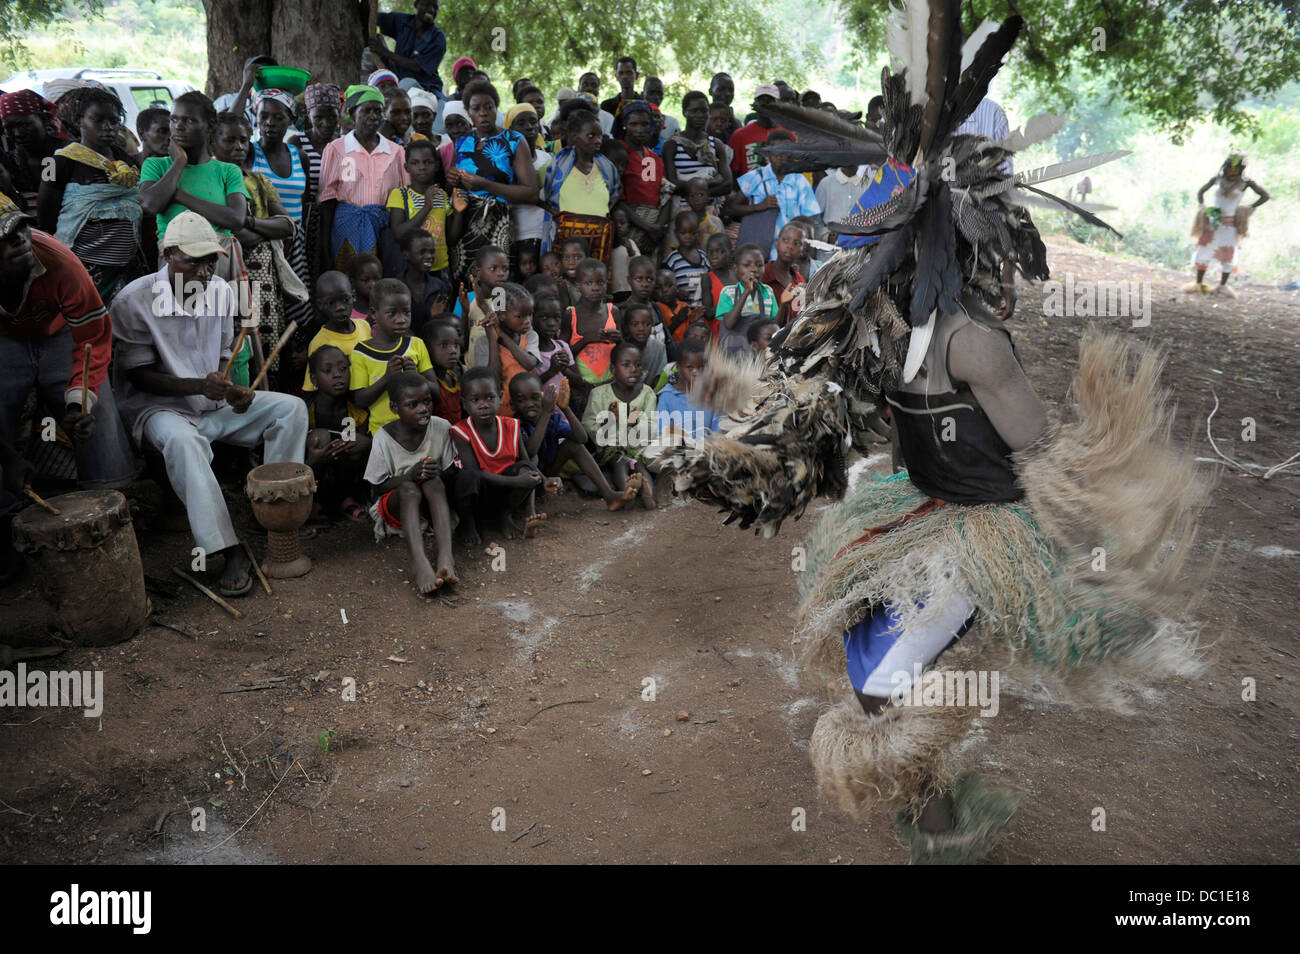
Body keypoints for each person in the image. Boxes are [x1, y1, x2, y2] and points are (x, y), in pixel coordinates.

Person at [666, 5, 1205, 864]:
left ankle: (1066, 634)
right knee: (869, 668)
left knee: (880, 686)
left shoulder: (970, 339)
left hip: (981, 526)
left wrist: (1061, 550)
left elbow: (1033, 450)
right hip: (917, 509)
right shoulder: (881, 321)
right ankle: (948, 803)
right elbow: (820, 405)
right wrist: (738, 399)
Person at [111, 211, 307, 597]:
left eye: (210, 260)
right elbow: (138, 375)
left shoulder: (219, 289)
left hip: (210, 405)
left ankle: (272, 508)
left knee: (290, 410)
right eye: (193, 260)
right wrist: (201, 385)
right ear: (168, 255)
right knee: (186, 444)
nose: (204, 270)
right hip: (159, 410)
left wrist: (231, 389)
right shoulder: (134, 300)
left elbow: (222, 360)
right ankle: (224, 549)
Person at [0, 211, 136, 523]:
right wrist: (7, 457)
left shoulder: (60, 261)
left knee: (94, 405)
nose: (20, 240)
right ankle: (5, 515)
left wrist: (79, 403)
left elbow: (93, 337)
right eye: (5, 236)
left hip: (59, 330)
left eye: (22, 228)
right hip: (4, 338)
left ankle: (108, 503)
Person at [210, 111, 302, 385]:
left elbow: (287, 225)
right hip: (225, 270)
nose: (238, 147)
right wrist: (260, 228)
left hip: (262, 277)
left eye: (243, 140)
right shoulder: (211, 180)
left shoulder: (258, 181)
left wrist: (247, 221)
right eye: (230, 140)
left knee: (265, 340)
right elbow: (240, 236)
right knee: (231, 339)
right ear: (212, 143)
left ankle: (264, 395)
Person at [36, 86, 144, 303]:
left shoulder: (127, 162)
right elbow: (45, 215)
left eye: (114, 121)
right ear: (79, 121)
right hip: (81, 266)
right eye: (98, 120)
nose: (108, 127)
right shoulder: (57, 161)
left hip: (126, 267)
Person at [138, 91, 250, 290]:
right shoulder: (156, 165)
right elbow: (151, 203)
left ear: (210, 126)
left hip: (219, 257)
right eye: (174, 119)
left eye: (189, 120)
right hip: (176, 259)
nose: (178, 126)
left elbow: (236, 219)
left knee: (223, 317)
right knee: (177, 316)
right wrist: (180, 162)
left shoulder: (227, 170)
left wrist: (177, 195)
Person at [365, 371, 459, 593]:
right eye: (412, 404)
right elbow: (377, 486)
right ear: (395, 408)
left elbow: (453, 473)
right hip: (398, 506)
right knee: (409, 488)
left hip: (430, 507)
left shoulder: (441, 427)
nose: (423, 408)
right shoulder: (383, 437)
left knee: (432, 481)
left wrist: (437, 472)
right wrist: (409, 475)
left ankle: (446, 555)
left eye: (427, 401)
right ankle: (419, 562)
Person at [446, 80, 538, 286]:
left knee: (498, 287)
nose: (483, 113)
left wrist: (486, 186)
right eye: (476, 108)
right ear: (468, 113)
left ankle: (498, 319)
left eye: (489, 107)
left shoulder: (513, 140)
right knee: (466, 283)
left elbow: (531, 192)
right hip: (465, 225)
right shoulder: (462, 141)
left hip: (498, 224)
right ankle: (468, 319)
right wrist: (451, 179)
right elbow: (453, 183)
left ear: (497, 109)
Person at [510, 372, 634, 509]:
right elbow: (530, 452)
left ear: (543, 397)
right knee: (533, 460)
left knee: (573, 446)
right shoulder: (515, 424)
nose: (529, 404)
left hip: (550, 476)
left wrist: (565, 408)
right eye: (521, 400)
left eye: (535, 397)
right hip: (529, 482)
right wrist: (546, 412)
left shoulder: (552, 419)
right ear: (512, 405)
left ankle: (609, 495)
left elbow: (582, 438)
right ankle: (530, 510)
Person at [450, 366, 546, 542]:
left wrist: (546, 480)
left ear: (501, 397)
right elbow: (475, 473)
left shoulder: (511, 425)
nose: (484, 404)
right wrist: (516, 481)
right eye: (475, 400)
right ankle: (468, 524)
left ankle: (504, 516)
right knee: (466, 477)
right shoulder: (461, 431)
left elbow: (527, 463)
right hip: (480, 496)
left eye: (490, 397)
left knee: (527, 466)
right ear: (465, 403)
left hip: (506, 496)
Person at [349, 278, 436, 433]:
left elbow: (435, 391)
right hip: (382, 433)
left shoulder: (416, 345)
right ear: (374, 314)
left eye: (406, 312)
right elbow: (359, 400)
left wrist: (415, 376)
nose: (401, 320)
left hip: (420, 429)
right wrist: (386, 379)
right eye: (392, 313)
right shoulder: (361, 353)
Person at [581, 339, 657, 509]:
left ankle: (648, 495)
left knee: (640, 466)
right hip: (610, 449)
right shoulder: (599, 394)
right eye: (626, 365)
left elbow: (653, 425)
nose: (633, 370)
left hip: (637, 450)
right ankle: (626, 493)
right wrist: (610, 422)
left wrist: (638, 423)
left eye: (638, 365)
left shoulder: (647, 393)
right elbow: (588, 425)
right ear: (613, 369)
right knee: (619, 461)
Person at [727, 129, 821, 259]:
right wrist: (759, 206)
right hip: (760, 251)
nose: (780, 154)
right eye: (775, 149)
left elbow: (810, 219)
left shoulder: (799, 181)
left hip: (790, 253)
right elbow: (731, 209)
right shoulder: (755, 177)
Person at [544, 108, 620, 266]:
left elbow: (615, 195)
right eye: (591, 136)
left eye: (599, 136)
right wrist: (556, 214)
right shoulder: (556, 166)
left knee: (594, 285)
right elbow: (539, 196)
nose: (597, 140)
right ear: (574, 136)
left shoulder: (608, 168)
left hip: (599, 243)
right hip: (566, 243)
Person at [304, 345, 371, 523]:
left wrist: (364, 442)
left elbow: (368, 442)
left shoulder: (356, 410)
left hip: (344, 474)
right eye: (328, 370)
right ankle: (313, 502)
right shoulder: (305, 410)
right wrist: (312, 460)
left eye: (343, 369)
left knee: (353, 440)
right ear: (314, 379)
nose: (337, 374)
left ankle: (346, 499)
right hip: (314, 476)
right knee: (321, 436)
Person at [1187, 152, 1269, 297]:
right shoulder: (1217, 179)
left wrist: (1247, 208)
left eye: (1236, 168)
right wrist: (1202, 207)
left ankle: (1222, 286)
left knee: (1228, 254)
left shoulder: (1246, 183)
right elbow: (1201, 192)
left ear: (1241, 169)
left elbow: (1265, 196)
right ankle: (1198, 284)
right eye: (1230, 167)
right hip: (1213, 222)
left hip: (1230, 225)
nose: (1233, 170)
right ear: (1226, 166)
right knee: (1204, 250)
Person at [386, 138, 451, 280]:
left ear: (436, 166)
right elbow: (398, 233)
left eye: (428, 162)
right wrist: (427, 207)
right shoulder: (399, 194)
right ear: (406, 167)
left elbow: (451, 236)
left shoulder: (442, 195)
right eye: (415, 163)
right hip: (411, 269)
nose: (422, 167)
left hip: (440, 268)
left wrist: (458, 212)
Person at [1, 91, 71, 218]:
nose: (17, 133)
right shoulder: (12, 162)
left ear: (44, 120)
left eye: (24, 125)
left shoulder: (67, 154)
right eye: (9, 127)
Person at [300, 83, 342, 285]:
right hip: (308, 220)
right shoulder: (298, 142)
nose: (326, 123)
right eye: (319, 117)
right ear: (309, 115)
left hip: (337, 217)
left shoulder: (344, 144)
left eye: (332, 116)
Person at [478, 282, 540, 415]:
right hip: (503, 412)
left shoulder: (530, 336)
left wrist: (502, 334)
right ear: (501, 315)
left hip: (528, 411)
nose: (527, 321)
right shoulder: (484, 342)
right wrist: (493, 342)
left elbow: (529, 363)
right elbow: (492, 379)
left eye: (530, 314)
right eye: (520, 316)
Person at [505, 103, 552, 278]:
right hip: (516, 234)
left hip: (543, 232)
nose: (529, 127)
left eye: (533, 121)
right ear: (510, 129)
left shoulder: (546, 158)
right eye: (521, 122)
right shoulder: (505, 161)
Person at [300, 270, 368, 391]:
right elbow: (312, 387)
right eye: (331, 303)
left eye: (345, 300)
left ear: (353, 297)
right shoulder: (319, 343)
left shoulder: (364, 326)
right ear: (320, 305)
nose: (340, 307)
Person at [565, 257, 620, 396]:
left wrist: (619, 340)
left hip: (612, 383)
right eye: (588, 283)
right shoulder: (571, 315)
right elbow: (563, 356)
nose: (595, 288)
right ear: (578, 286)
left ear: (606, 284)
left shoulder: (612, 311)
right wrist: (586, 340)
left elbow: (622, 350)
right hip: (582, 387)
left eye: (600, 283)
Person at [663, 91, 732, 200]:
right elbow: (671, 184)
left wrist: (699, 196)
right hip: (680, 212)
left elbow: (727, 184)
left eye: (704, 111)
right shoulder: (672, 144)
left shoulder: (716, 144)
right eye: (694, 111)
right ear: (684, 112)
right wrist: (711, 182)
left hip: (709, 212)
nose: (700, 115)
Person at [370, 0, 447, 95]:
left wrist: (385, 52)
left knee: (407, 83)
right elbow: (374, 17)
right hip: (401, 85)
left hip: (427, 89)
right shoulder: (403, 21)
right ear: (416, 4)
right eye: (426, 4)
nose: (431, 9)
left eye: (435, 7)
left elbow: (417, 66)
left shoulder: (438, 38)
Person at [654, 336, 720, 445]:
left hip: (709, 454)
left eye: (702, 367)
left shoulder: (713, 395)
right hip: (677, 454)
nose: (696, 373)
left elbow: (718, 432)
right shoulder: (667, 397)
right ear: (678, 368)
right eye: (690, 368)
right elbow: (664, 434)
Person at [715, 242, 778, 354]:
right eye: (747, 265)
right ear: (735, 268)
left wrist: (783, 304)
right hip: (734, 358)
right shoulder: (728, 293)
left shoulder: (767, 291)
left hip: (761, 357)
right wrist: (747, 292)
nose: (754, 269)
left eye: (759, 265)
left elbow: (774, 325)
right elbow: (729, 324)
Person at [397, 231, 449, 334]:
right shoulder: (396, 287)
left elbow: (444, 325)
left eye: (432, 252)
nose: (429, 256)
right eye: (422, 252)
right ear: (406, 255)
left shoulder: (439, 287)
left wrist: (435, 318)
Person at [727, 84, 784, 177]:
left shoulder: (788, 135)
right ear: (755, 104)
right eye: (761, 100)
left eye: (770, 100)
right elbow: (733, 172)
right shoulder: (740, 135)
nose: (765, 104)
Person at [531, 292, 575, 409]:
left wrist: (564, 368)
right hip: (540, 415)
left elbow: (578, 381)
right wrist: (552, 371)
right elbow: (528, 389)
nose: (551, 324)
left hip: (563, 414)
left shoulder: (562, 346)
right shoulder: (528, 352)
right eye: (544, 317)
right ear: (532, 318)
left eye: (556, 318)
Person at [662, 210, 710, 308]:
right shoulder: (672, 260)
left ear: (698, 233)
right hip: (682, 315)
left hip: (703, 314)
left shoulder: (704, 257)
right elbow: (664, 288)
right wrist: (677, 293)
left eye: (693, 233)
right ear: (676, 233)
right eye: (683, 233)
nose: (688, 236)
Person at [420, 316, 464, 424]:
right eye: (444, 345)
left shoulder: (455, 376)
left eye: (456, 345)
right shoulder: (427, 384)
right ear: (427, 348)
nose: (453, 351)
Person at [763, 222, 808, 324]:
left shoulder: (800, 280)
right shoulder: (763, 275)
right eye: (785, 240)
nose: (790, 246)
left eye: (797, 243)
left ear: (802, 250)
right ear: (776, 242)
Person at [621, 301, 666, 386]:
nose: (641, 328)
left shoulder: (659, 348)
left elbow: (659, 378)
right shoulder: (621, 350)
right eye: (635, 324)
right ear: (627, 327)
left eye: (647, 324)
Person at [600, 56, 640, 140]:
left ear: (636, 75)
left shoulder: (644, 104)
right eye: (621, 73)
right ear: (616, 76)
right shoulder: (606, 106)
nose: (624, 76)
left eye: (629, 72)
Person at [642, 77, 680, 141]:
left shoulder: (672, 123)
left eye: (659, 93)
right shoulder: (635, 122)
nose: (656, 97)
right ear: (642, 94)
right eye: (651, 93)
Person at [709, 73, 741, 140]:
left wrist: (733, 120)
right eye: (721, 89)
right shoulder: (702, 117)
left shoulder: (736, 123)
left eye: (731, 90)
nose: (727, 94)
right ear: (710, 91)